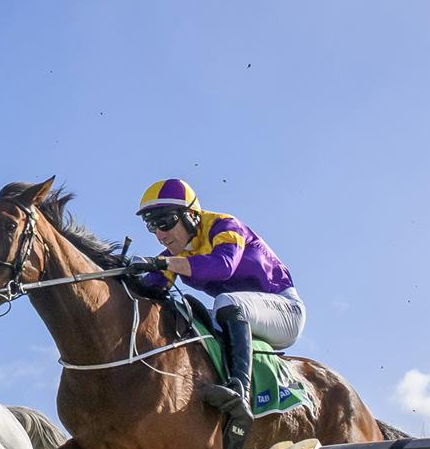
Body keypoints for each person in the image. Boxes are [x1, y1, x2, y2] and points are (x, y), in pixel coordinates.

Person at [125, 178, 305, 435]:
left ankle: (239, 390)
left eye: (164, 222)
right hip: (244, 315)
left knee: (226, 301)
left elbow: (223, 266)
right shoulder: (173, 257)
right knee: (189, 320)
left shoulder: (225, 226)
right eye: (152, 226)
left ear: (190, 216)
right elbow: (151, 290)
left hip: (285, 312)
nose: (159, 234)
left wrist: (164, 264)